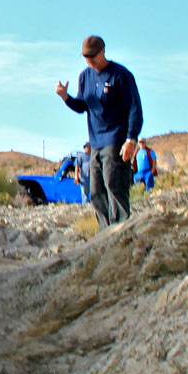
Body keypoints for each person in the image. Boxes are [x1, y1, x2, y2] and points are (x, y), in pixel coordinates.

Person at [56, 35, 142, 229]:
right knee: (95, 191)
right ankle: (106, 234)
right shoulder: (85, 77)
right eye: (86, 57)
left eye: (92, 56)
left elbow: (135, 109)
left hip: (116, 140)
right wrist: (65, 97)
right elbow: (82, 106)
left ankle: (121, 231)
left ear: (102, 52)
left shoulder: (120, 75)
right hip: (95, 143)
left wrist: (131, 139)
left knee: (114, 185)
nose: (89, 61)